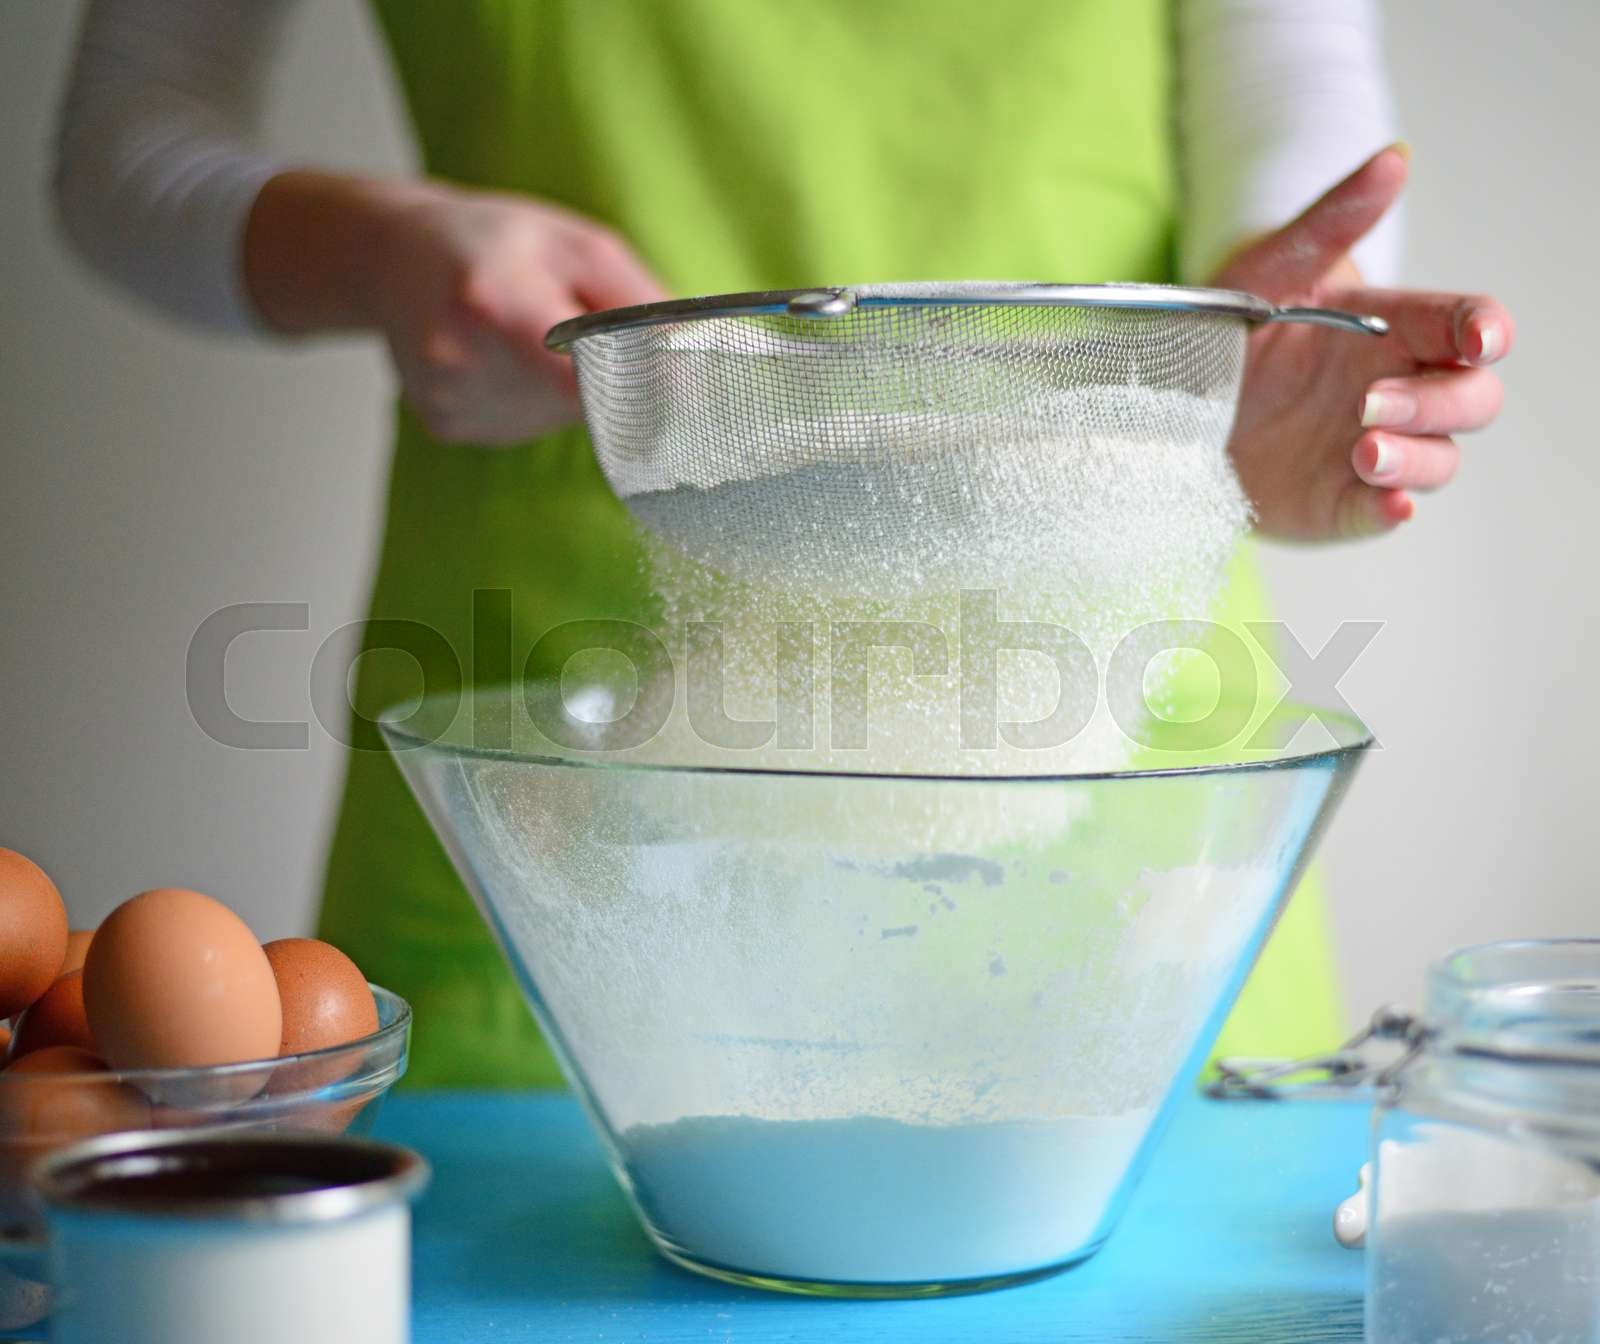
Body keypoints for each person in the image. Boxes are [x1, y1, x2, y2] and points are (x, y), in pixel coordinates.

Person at [53, 0, 1511, 1087]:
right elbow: (130, 141)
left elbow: (1297, 88)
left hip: (1101, 751)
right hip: (576, 810)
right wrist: (384, 249)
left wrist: (1271, 351)